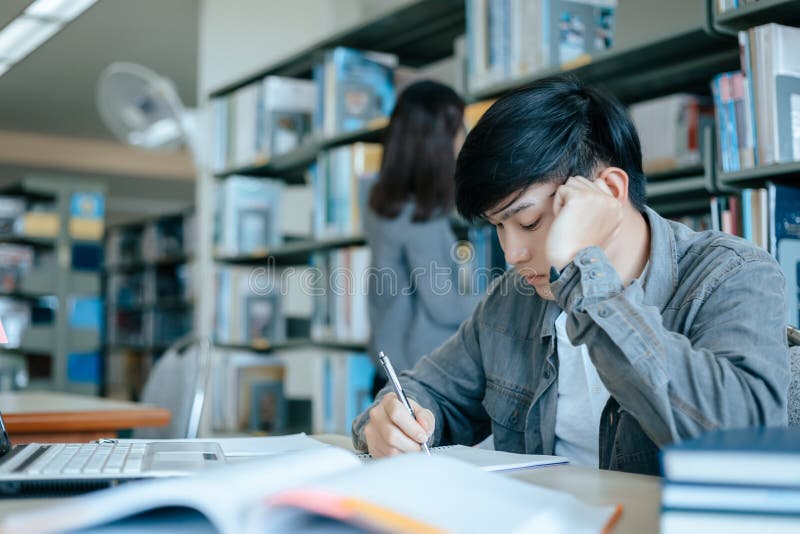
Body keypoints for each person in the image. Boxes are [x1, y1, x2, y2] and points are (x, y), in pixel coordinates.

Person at [352, 74, 790, 475]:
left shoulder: (733, 275)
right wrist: (390, 421)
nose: (512, 252)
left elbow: (743, 438)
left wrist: (589, 277)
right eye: (498, 228)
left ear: (609, 192)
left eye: (528, 223)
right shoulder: (511, 301)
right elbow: (426, 392)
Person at [365, 80, 481, 398]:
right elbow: (444, 305)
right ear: (437, 141)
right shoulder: (419, 220)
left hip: (390, 369)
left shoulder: (384, 205)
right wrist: (508, 296)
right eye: (460, 127)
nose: (466, 136)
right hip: (417, 379)